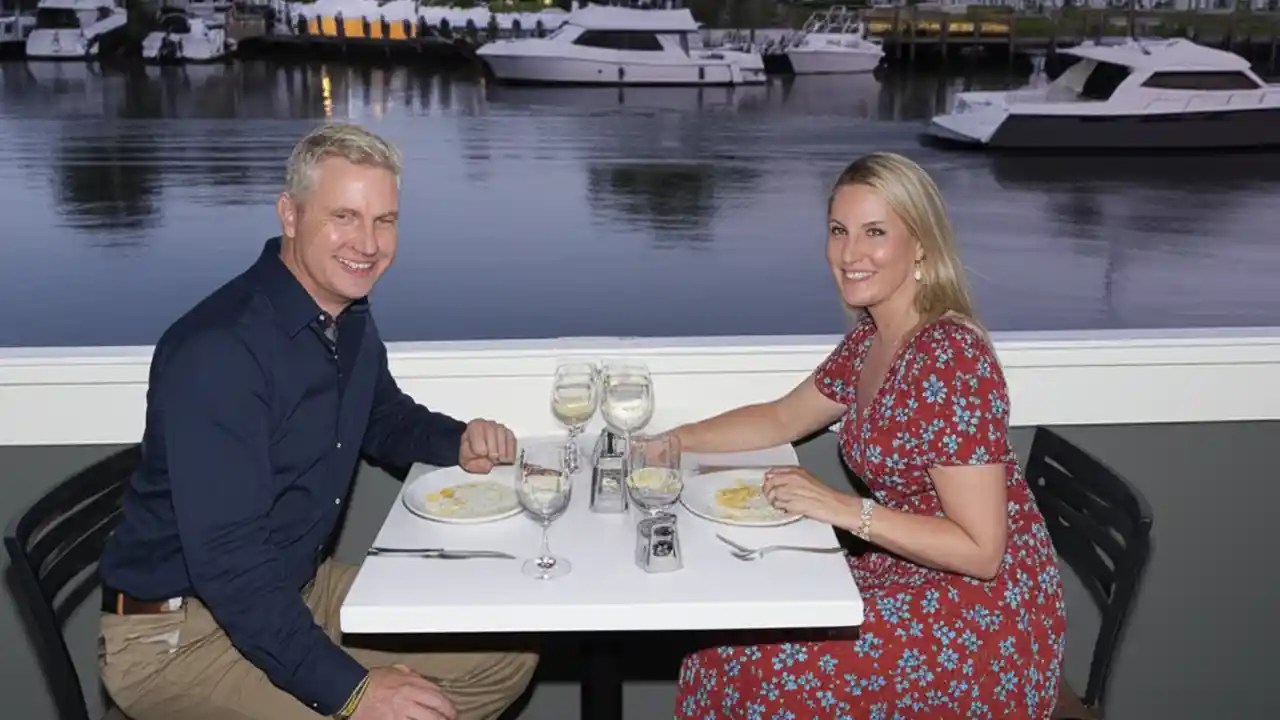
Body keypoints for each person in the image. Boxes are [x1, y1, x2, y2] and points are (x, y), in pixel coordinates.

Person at [97, 123, 538, 720]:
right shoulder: (219, 351)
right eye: (345, 216)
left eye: (384, 220)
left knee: (508, 649)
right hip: (180, 639)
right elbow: (230, 564)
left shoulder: (345, 314)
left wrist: (456, 440)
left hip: (297, 589)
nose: (369, 242)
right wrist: (355, 689)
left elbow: (382, 417)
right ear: (290, 213)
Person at [669, 153, 1066, 719]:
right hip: (907, 569)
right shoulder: (872, 339)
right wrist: (669, 442)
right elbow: (783, 417)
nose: (850, 254)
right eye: (839, 231)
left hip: (982, 621)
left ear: (921, 244)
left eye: (875, 232)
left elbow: (981, 552)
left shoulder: (952, 357)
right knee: (721, 640)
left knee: (746, 662)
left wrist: (839, 507)